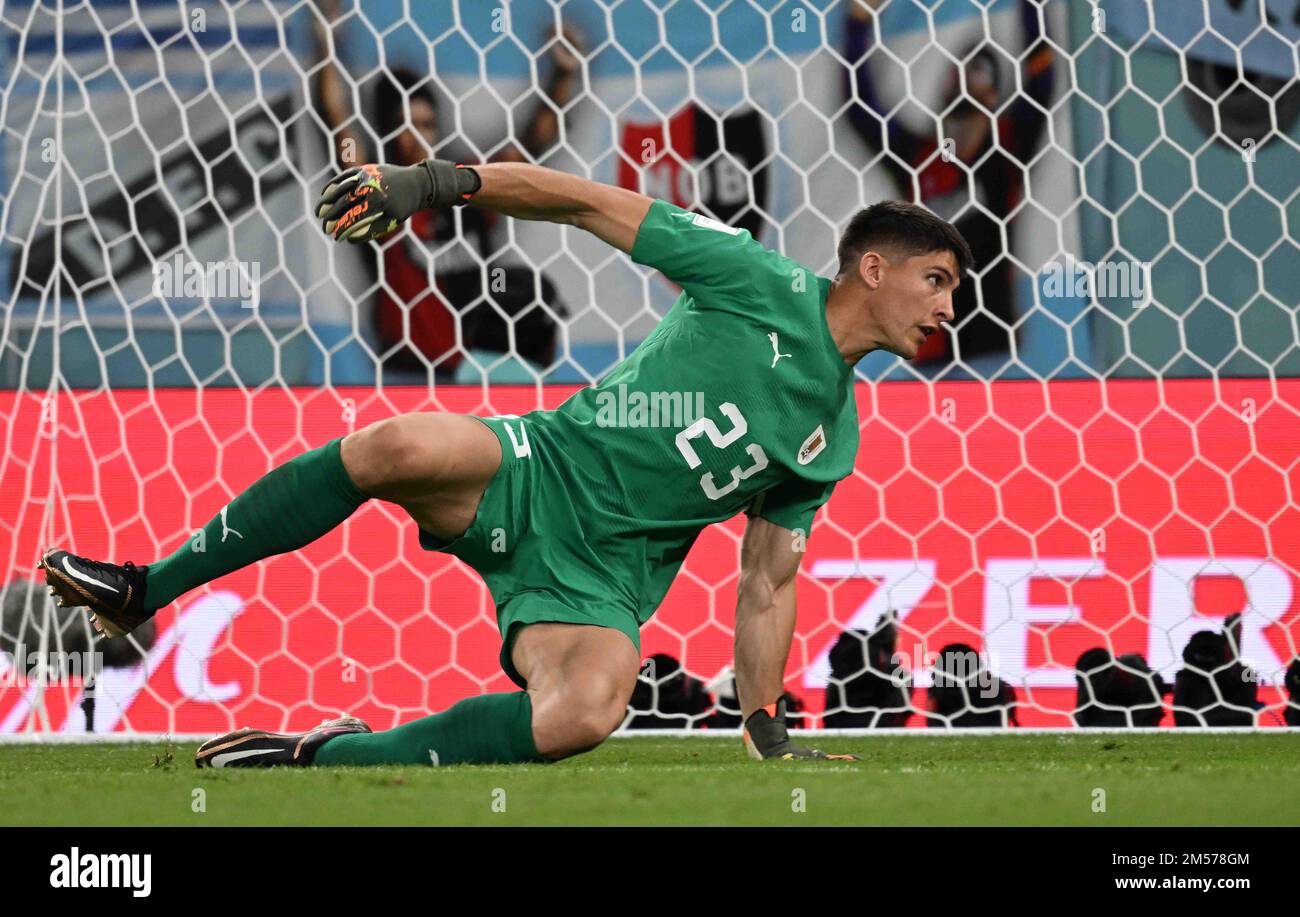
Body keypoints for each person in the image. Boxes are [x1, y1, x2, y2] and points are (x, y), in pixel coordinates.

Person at [41, 151, 970, 766]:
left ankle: (317, 756)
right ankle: (142, 589)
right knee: (393, 443)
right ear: (872, 269)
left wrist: (766, 729)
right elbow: (579, 200)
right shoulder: (752, 278)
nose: (945, 309)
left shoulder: (832, 438)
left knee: (584, 713)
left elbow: (766, 581)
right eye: (935, 281)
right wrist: (425, 185)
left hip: (599, 579)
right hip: (538, 463)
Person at [313, 3, 582, 380]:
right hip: (405, 374)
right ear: (387, 130)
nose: (417, 135)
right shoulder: (381, 197)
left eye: (426, 123)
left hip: (474, 374)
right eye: (404, 124)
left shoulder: (466, 183)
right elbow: (337, 121)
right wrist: (327, 47)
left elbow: (533, 142)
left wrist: (563, 75)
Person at [842, 0, 1053, 364]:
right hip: (932, 356)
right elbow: (860, 108)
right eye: (958, 77)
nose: (965, 84)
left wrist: (1031, 7)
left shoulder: (1008, 148)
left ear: (994, 95)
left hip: (997, 352)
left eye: (978, 75)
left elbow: (1042, 78)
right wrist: (858, 23)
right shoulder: (919, 158)